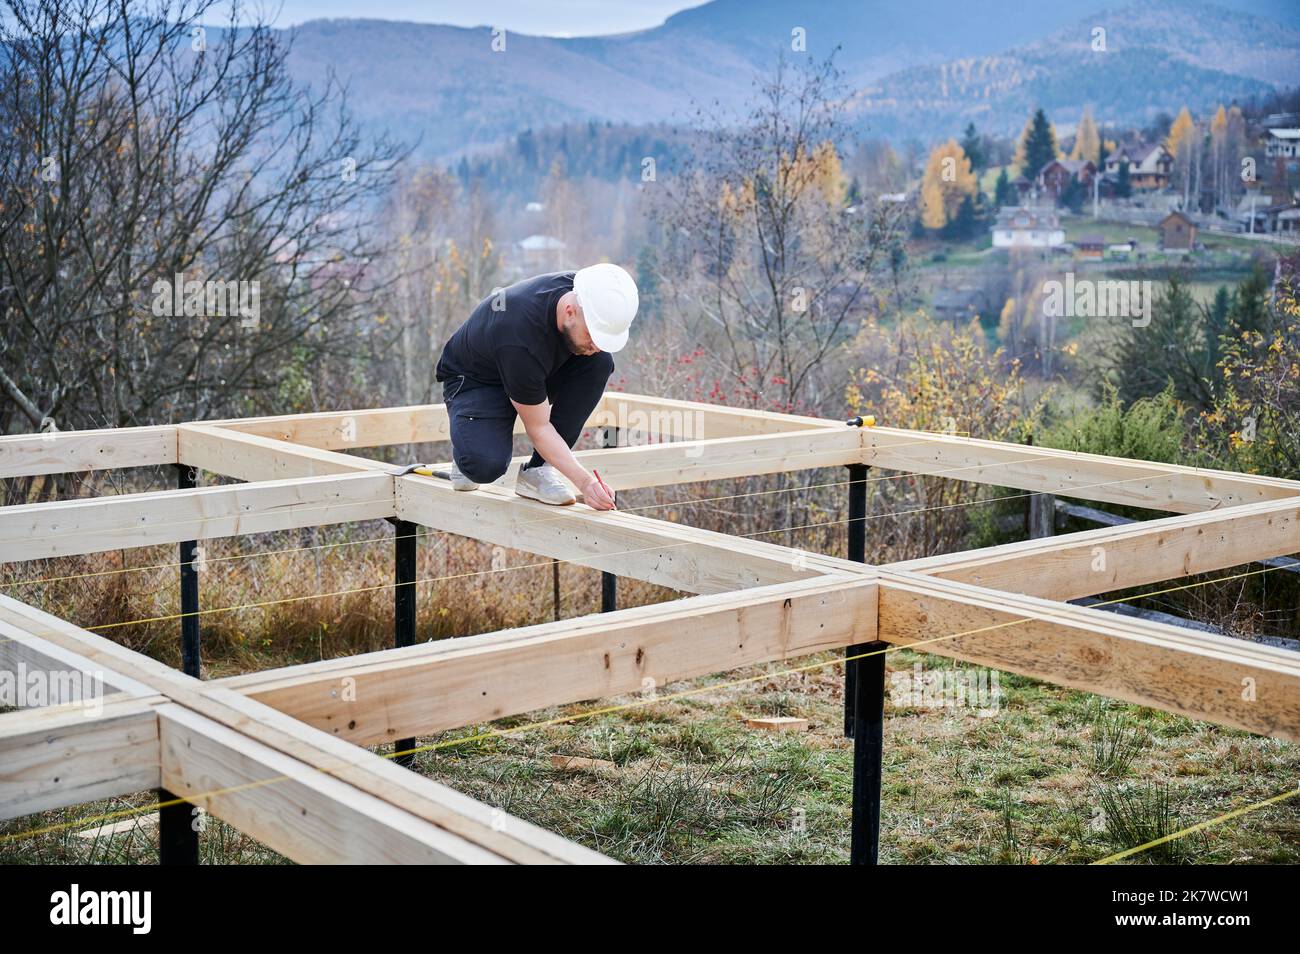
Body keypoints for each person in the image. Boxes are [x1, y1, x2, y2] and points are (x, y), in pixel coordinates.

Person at [434, 263, 638, 511]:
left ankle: (537, 472)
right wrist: (585, 483)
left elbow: (591, 349)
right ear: (570, 312)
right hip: (478, 380)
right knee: (484, 466)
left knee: (599, 362)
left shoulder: (587, 291)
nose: (597, 344)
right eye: (593, 335)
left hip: (530, 366)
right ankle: (468, 454)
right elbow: (539, 428)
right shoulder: (520, 335)